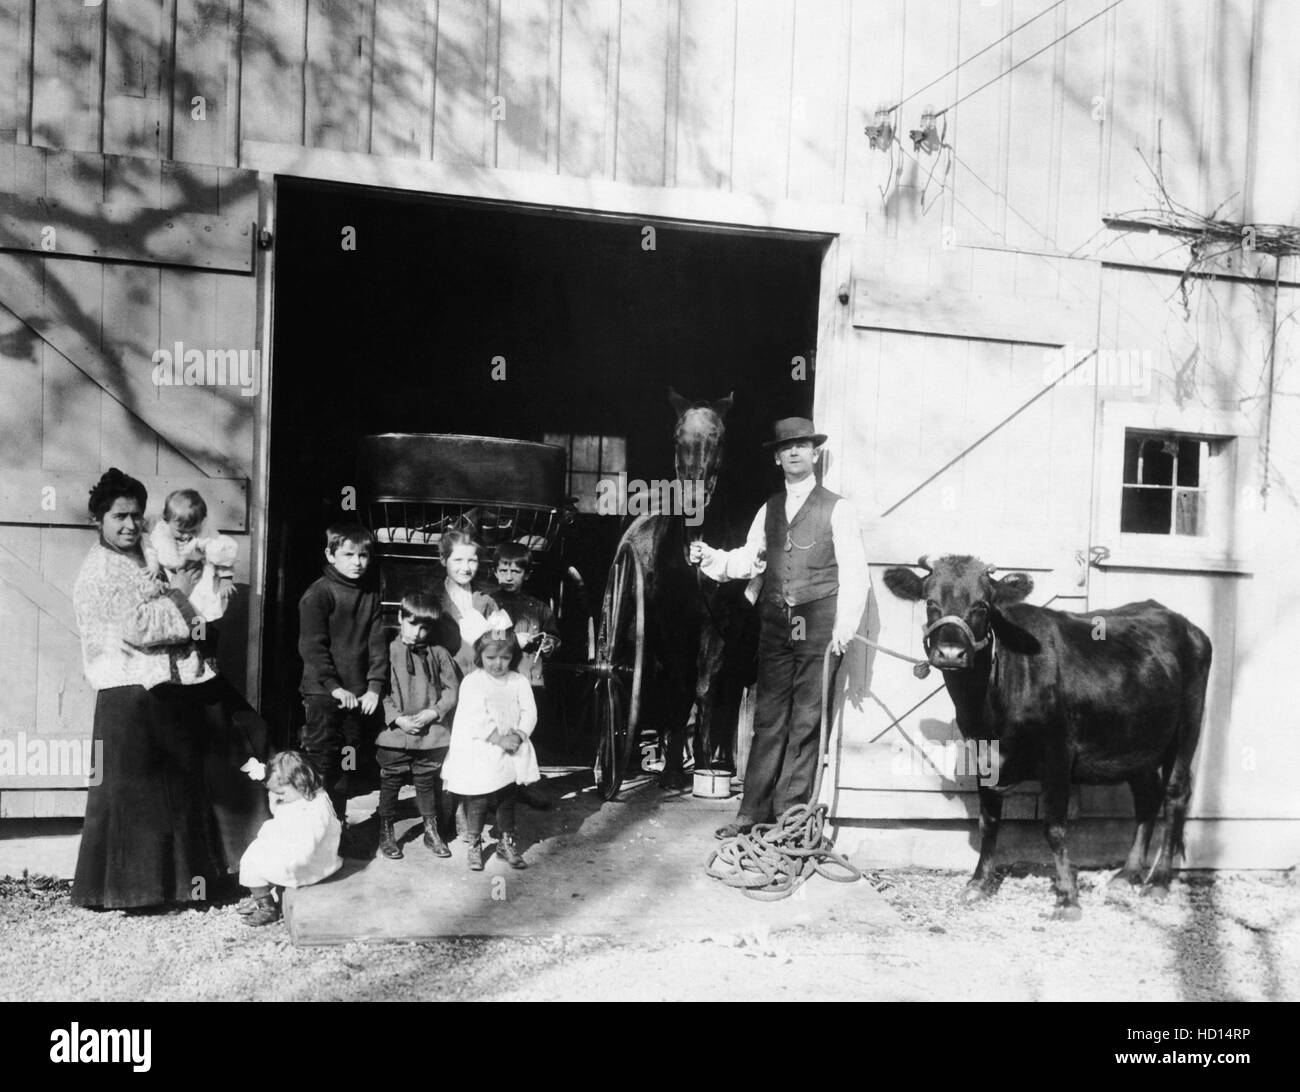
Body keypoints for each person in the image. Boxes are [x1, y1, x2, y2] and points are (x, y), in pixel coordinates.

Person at [71, 468, 267, 910]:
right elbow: (140, 629)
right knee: (140, 796)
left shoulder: (146, 550)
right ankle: (133, 891)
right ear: (96, 519)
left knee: (222, 753)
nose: (129, 525)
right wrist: (180, 594)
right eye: (119, 516)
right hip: (127, 690)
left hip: (167, 681)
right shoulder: (101, 571)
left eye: (136, 516)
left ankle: (223, 873)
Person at [691, 418, 869, 838]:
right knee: (769, 717)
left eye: (802, 445)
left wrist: (845, 626)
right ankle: (751, 813)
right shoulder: (768, 508)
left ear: (814, 453)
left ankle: (790, 817)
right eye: (787, 447)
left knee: (807, 718)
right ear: (777, 457)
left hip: (819, 622)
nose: (794, 452)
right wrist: (711, 557)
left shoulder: (837, 509)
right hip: (776, 622)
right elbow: (748, 560)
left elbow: (855, 573)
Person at [297, 522, 389, 824]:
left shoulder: (370, 595)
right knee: (321, 761)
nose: (357, 562)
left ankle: (335, 825)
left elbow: (377, 644)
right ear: (330, 554)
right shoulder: (318, 594)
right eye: (348, 554)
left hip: (358, 695)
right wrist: (335, 687)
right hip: (324, 693)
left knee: (346, 761)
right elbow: (313, 648)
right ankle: (315, 827)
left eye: (363, 555)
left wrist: (374, 687)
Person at [441, 625, 537, 871]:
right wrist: (499, 739)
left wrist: (518, 734)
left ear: (513, 658)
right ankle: (474, 843)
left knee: (507, 797)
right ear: (480, 657)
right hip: (483, 748)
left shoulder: (519, 681)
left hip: (511, 748)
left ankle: (506, 843)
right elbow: (475, 717)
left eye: (505, 658)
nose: (497, 664)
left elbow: (530, 712)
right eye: (490, 658)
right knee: (480, 798)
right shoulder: (474, 682)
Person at [376, 591, 458, 860]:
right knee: (391, 781)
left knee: (426, 781)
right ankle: (386, 830)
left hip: (430, 733)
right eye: (412, 624)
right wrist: (396, 718)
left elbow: (451, 690)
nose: (418, 633)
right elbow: (380, 689)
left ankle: (431, 830)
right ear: (400, 617)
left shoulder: (439, 653)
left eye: (425, 627)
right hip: (395, 733)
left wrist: (434, 713)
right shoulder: (387, 651)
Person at [237, 751, 343, 927]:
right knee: (257, 852)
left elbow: (307, 843)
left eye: (280, 792)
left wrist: (277, 843)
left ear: (299, 783)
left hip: (310, 862)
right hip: (310, 855)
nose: (279, 797)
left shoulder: (315, 809)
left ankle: (267, 907)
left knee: (251, 859)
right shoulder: (303, 798)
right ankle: (263, 897)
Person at [488, 542, 559, 809]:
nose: (508, 577)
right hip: (499, 679)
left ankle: (525, 784)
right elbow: (484, 637)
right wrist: (511, 638)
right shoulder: (490, 603)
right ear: (495, 572)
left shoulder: (538, 608)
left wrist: (550, 642)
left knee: (525, 733)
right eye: (503, 570)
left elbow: (553, 634)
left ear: (526, 575)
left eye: (515, 572)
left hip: (528, 678)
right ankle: (495, 786)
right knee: (497, 730)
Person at [145, 488, 238, 623]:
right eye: (181, 531)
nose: (186, 536)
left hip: (200, 585)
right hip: (173, 583)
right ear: (167, 521)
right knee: (178, 618)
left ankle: (199, 640)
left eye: (193, 530)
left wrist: (226, 581)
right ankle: (186, 639)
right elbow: (152, 551)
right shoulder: (160, 534)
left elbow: (222, 558)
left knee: (199, 617)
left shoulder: (204, 537)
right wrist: (154, 570)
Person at [436, 529, 498, 679]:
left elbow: (502, 637)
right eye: (458, 560)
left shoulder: (486, 599)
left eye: (472, 560)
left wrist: (489, 633)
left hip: (481, 679)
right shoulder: (434, 599)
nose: (466, 568)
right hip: (445, 681)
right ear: (444, 560)